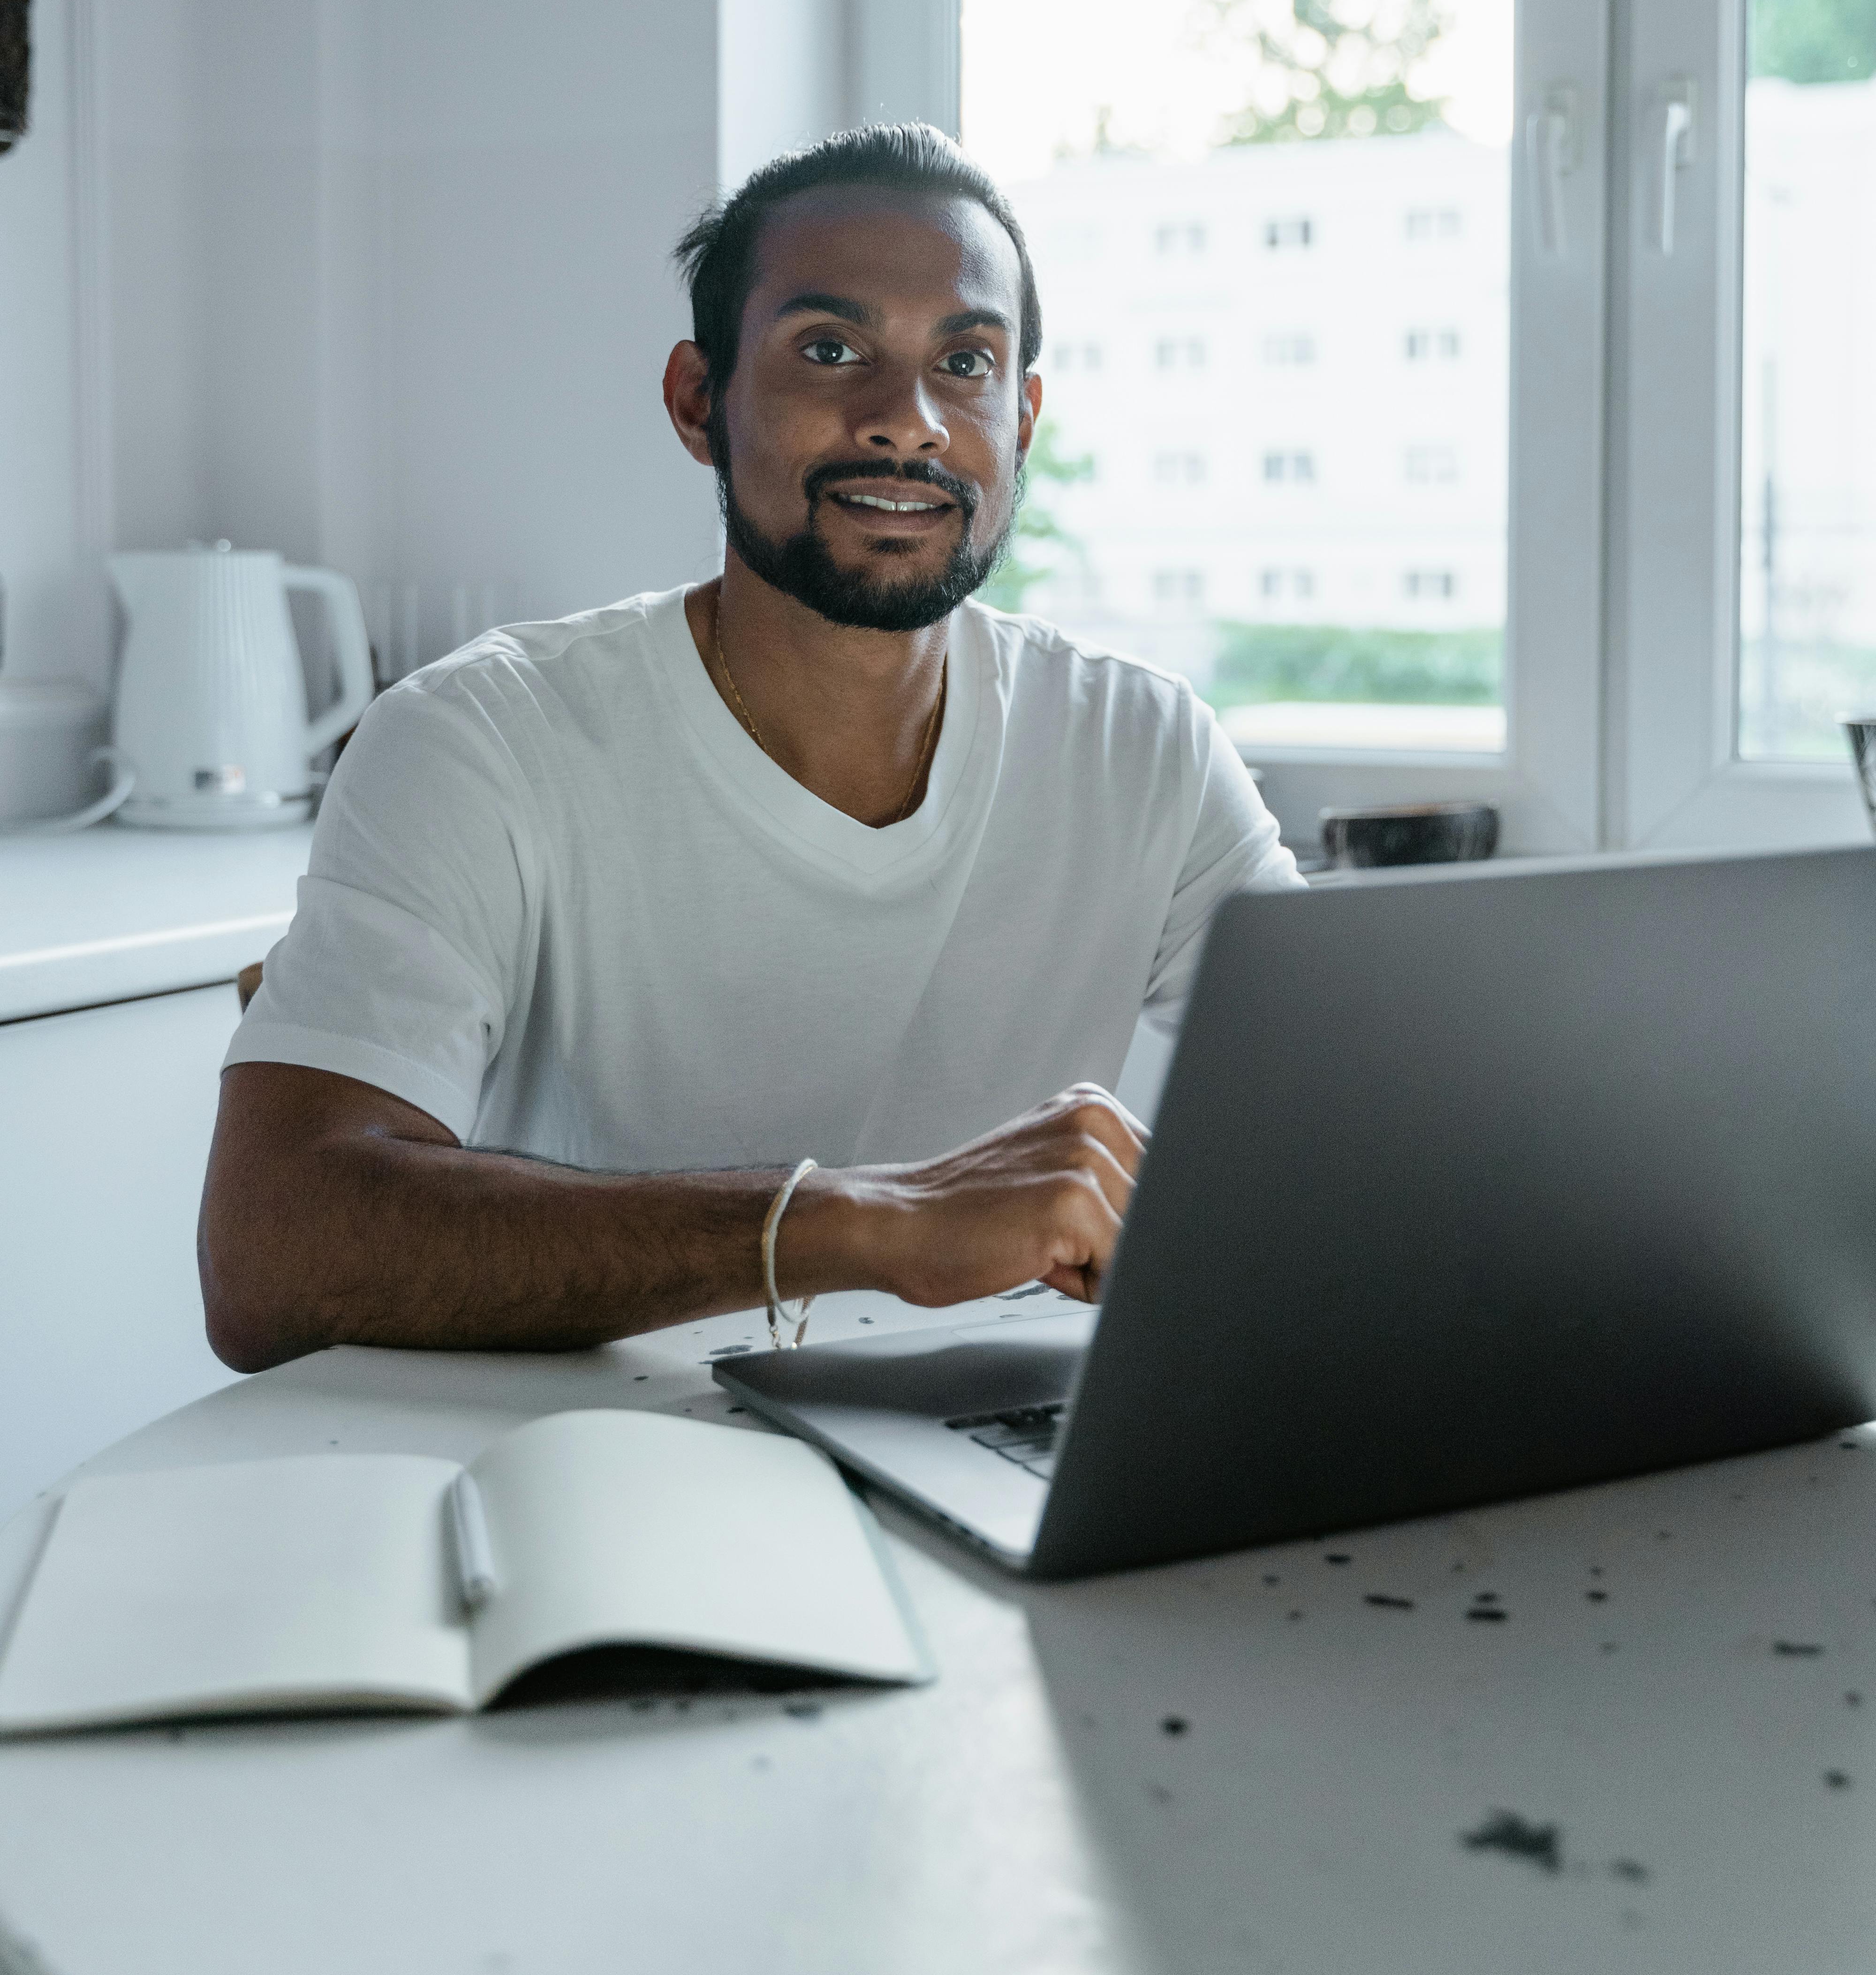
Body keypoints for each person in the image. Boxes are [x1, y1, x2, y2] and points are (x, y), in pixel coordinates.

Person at [201, 124, 1300, 1370]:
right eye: (831, 351)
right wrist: (853, 1222)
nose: (909, 421)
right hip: (578, 1466)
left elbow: (1369, 1123)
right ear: (696, 400)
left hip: (995, 1456)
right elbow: (267, 1257)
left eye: (967, 361)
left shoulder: (1142, 747)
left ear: (1025, 415)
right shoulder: (479, 741)